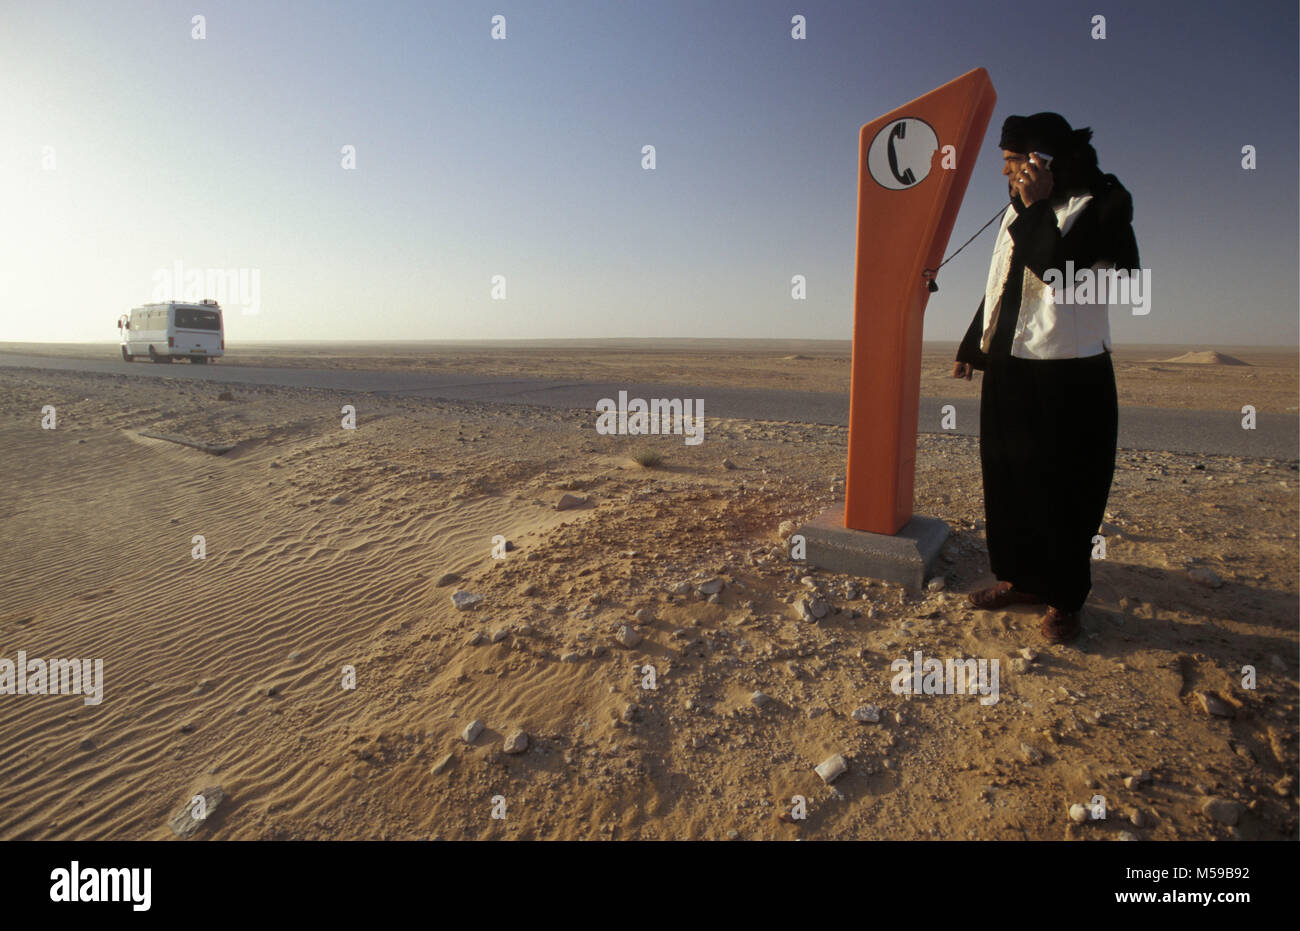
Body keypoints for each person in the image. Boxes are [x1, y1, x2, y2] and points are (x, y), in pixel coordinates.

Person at [951, 112, 1140, 644]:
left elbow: (1059, 275)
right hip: (1012, 370)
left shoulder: (1100, 207)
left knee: (1066, 492)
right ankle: (1023, 580)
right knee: (1010, 484)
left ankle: (1064, 601)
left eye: (1012, 162)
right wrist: (977, 344)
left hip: (1069, 376)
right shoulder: (1023, 212)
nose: (1005, 173)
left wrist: (1035, 209)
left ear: (1044, 162)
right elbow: (1006, 284)